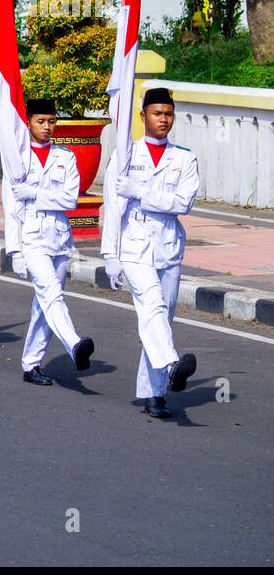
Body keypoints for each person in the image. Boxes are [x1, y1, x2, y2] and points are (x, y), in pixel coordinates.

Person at [101, 87, 199, 418]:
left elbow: (182, 204)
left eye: (168, 114)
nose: (163, 120)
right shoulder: (126, 155)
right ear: (143, 116)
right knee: (153, 306)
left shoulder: (184, 158)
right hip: (135, 243)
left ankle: (151, 392)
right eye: (157, 114)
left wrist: (141, 191)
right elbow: (113, 207)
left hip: (169, 245)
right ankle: (170, 368)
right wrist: (110, 255)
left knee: (160, 318)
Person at [7, 98, 96, 386]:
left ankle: (31, 363)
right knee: (51, 295)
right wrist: (15, 250)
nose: (47, 127)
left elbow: (70, 198)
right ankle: (74, 344)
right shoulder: (17, 158)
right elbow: (11, 205)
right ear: (29, 122)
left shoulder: (65, 157)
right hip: (30, 237)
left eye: (51, 121)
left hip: (59, 237)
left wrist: (33, 193)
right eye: (40, 121)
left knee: (44, 303)